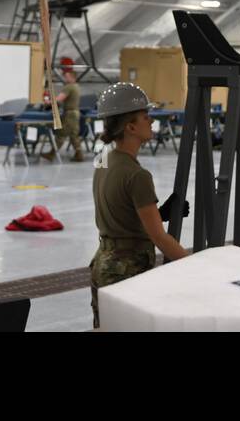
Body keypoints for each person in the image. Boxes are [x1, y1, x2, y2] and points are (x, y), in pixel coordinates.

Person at [89, 82, 188, 329]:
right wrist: (194, 266)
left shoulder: (103, 158)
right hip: (128, 268)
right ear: (131, 127)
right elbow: (160, 239)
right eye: (146, 117)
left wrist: (157, 213)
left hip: (103, 263)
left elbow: (115, 203)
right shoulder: (137, 175)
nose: (151, 121)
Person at [45, 57, 85, 162]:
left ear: (71, 76)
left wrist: (48, 101)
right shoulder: (77, 86)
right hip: (76, 113)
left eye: (66, 75)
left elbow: (59, 99)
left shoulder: (69, 87)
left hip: (70, 114)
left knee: (61, 134)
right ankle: (79, 154)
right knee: (73, 135)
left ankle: (52, 154)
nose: (64, 77)